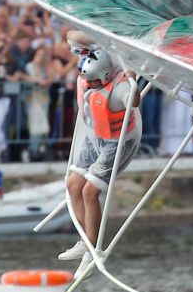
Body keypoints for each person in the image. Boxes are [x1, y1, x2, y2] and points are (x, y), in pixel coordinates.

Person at [59, 43, 141, 269]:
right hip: (96, 136)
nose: (88, 85)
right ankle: (84, 240)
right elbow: (72, 36)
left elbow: (133, 102)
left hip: (117, 143)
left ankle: (93, 247)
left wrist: (132, 82)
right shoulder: (90, 74)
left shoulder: (118, 88)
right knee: (73, 185)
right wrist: (93, 38)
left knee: (89, 191)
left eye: (93, 81)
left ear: (104, 75)